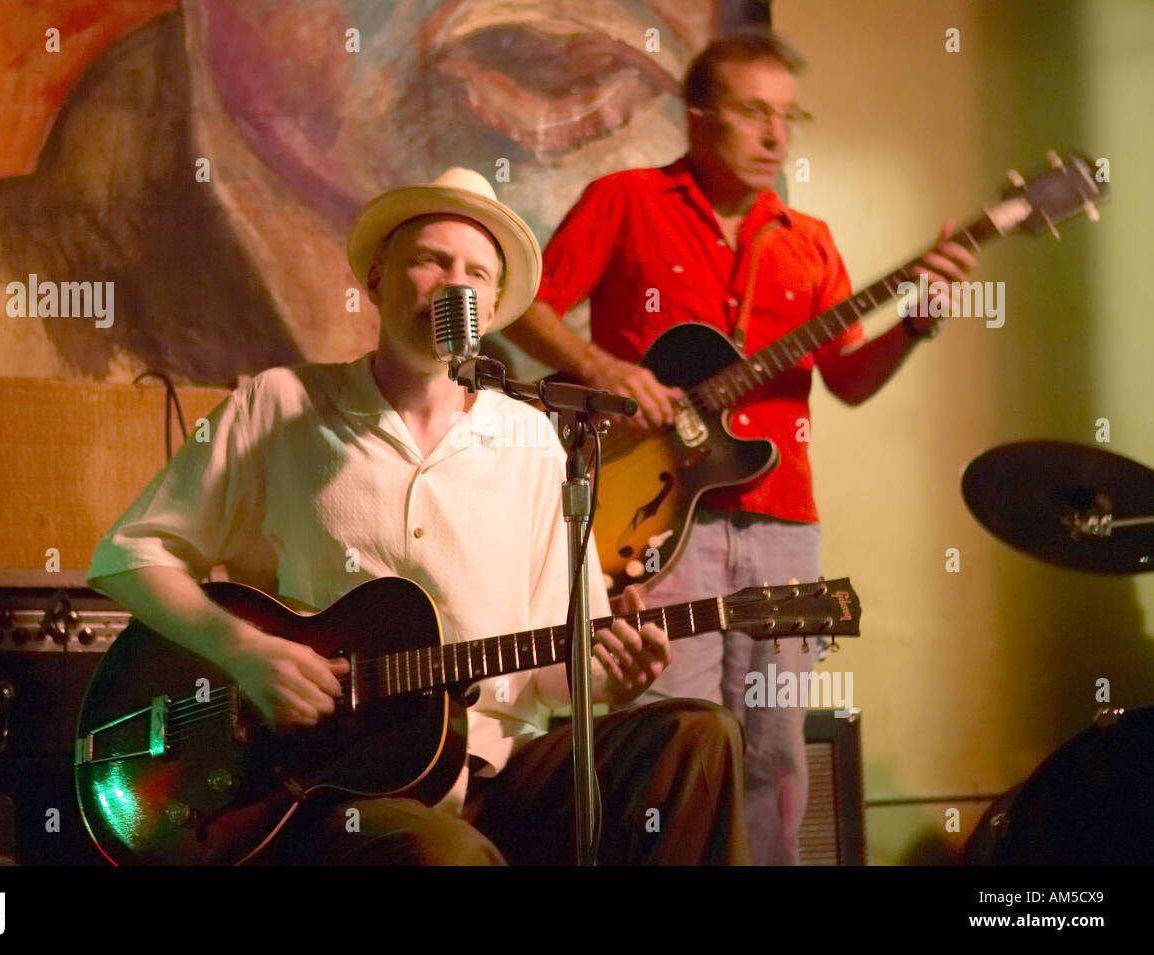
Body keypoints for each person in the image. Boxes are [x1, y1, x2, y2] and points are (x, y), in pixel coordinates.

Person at [86, 167, 749, 865]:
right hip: (338, 785)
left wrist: (608, 675)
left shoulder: (533, 438)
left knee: (699, 737)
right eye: (430, 260)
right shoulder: (279, 405)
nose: (452, 283)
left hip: (498, 767)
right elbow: (128, 555)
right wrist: (243, 651)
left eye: (475, 272)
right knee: (446, 856)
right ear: (376, 281)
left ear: (489, 309)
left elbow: (553, 674)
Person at [504, 31, 979, 864]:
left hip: (783, 518)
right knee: (673, 741)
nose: (775, 135)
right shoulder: (625, 198)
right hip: (650, 515)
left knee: (776, 748)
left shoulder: (808, 238)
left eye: (788, 117)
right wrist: (604, 365)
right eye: (755, 112)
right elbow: (527, 304)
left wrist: (916, 321)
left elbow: (850, 379)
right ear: (698, 116)